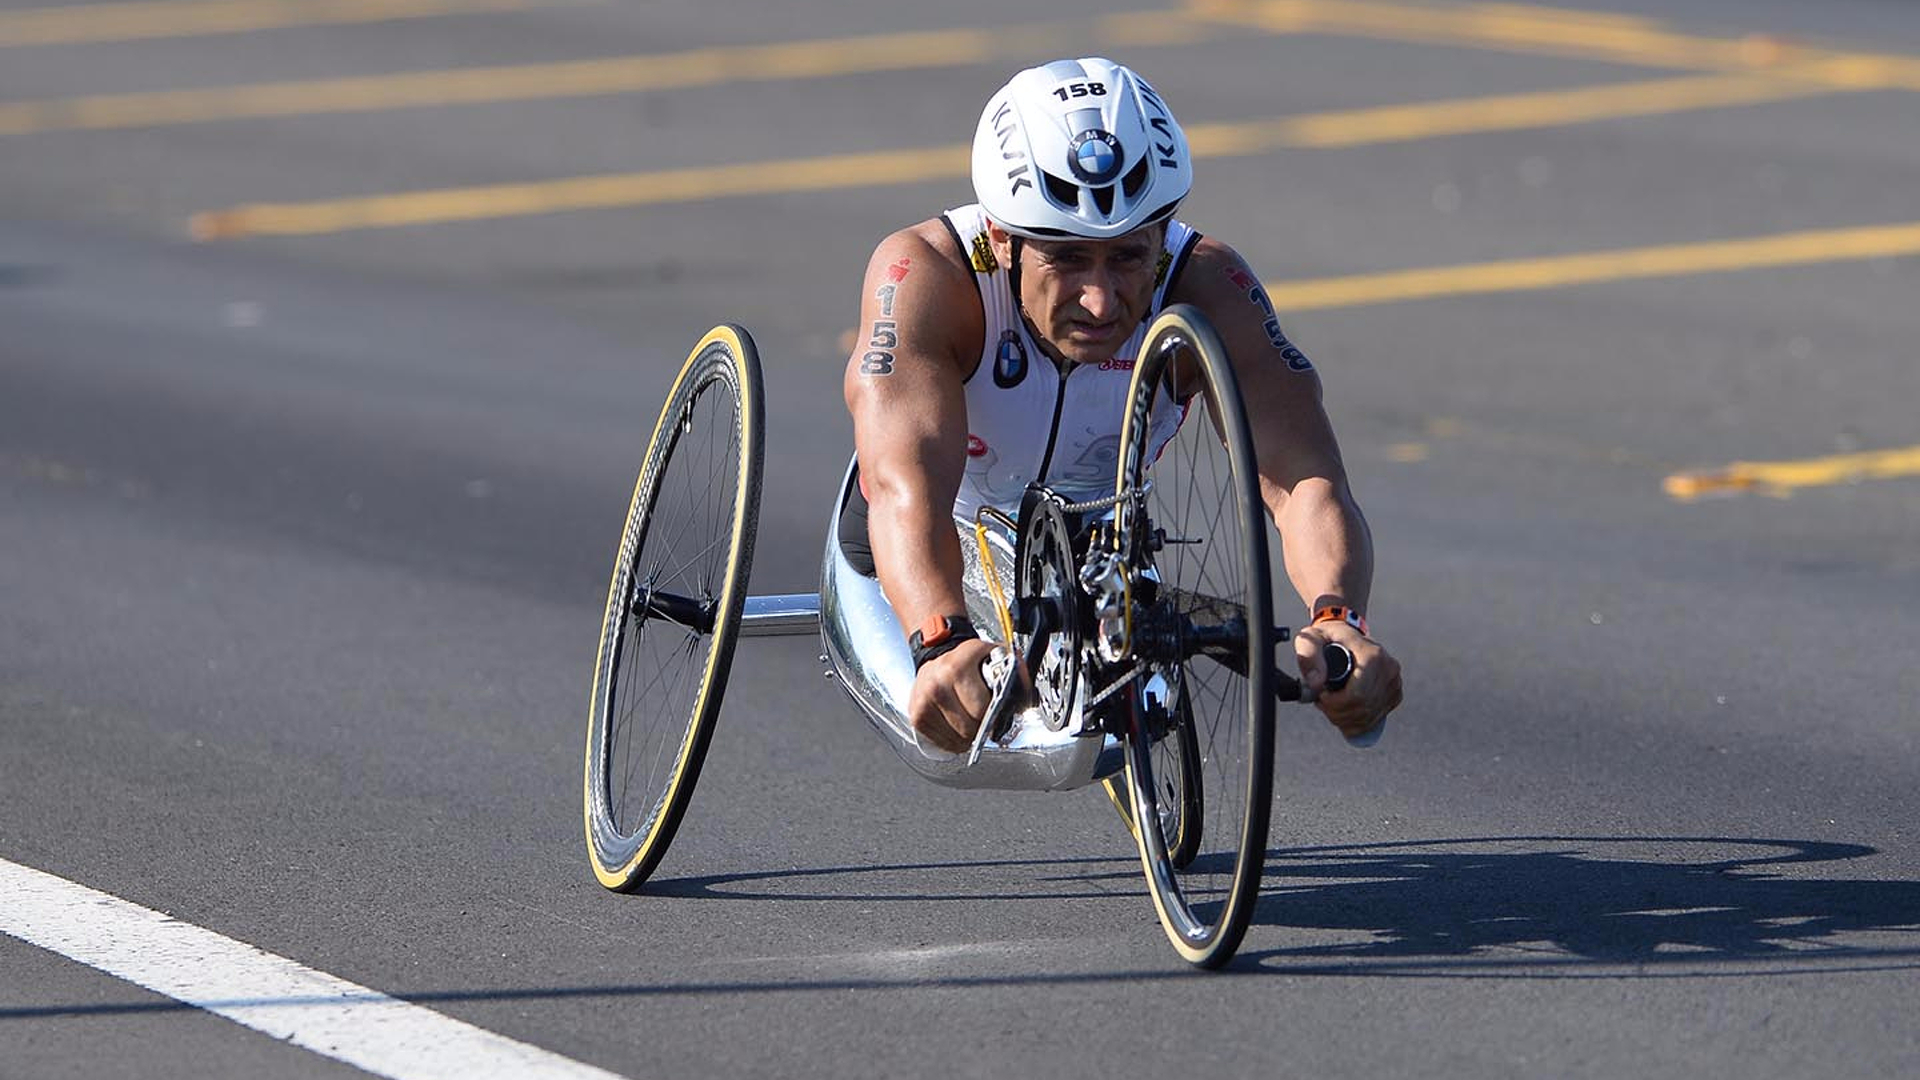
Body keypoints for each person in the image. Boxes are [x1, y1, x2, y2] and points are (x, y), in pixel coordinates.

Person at [842, 57, 1403, 756]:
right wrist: (939, 636)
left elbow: (1304, 479)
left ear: (1161, 236)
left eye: (1129, 257)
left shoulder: (1206, 285)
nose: (1101, 300)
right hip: (936, 520)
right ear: (1002, 240)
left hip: (1092, 533)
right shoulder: (931, 275)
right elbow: (905, 481)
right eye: (1067, 259)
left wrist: (1340, 615)